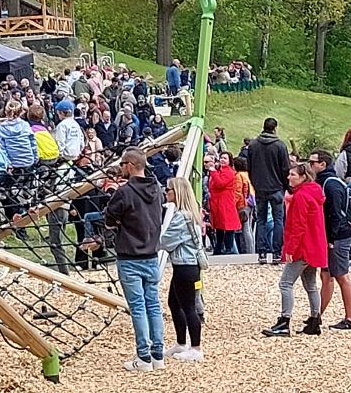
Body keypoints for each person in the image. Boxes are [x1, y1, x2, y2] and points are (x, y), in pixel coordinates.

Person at [103, 149, 166, 371]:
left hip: (130, 255)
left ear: (130, 165)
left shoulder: (125, 192)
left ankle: (143, 356)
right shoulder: (157, 188)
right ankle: (158, 354)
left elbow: (109, 217)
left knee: (138, 307)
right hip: (151, 254)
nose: (120, 168)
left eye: (122, 164)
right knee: (154, 305)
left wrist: (119, 224)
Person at [264, 162, 327, 337]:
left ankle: (284, 321)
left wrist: (290, 249)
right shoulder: (314, 192)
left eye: (293, 175)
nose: (289, 177)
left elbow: (298, 226)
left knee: (285, 283)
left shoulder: (301, 197)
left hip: (303, 247)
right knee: (311, 285)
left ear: (303, 177)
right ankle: (315, 320)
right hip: (314, 245)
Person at [308, 150, 351, 329]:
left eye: (313, 162)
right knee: (326, 275)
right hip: (332, 236)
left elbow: (336, 214)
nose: (310, 165)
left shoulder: (330, 184)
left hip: (337, 237)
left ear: (323, 164)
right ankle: (317, 315)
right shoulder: (325, 182)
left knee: (340, 276)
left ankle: (350, 318)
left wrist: (331, 238)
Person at [159, 178, 207, 361]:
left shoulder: (181, 217)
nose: (166, 192)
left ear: (177, 192)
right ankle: (181, 342)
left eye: (168, 189)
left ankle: (195, 347)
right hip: (186, 265)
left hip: (185, 266)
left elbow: (165, 241)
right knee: (174, 303)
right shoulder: (190, 214)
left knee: (188, 307)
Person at [246, 118, 290, 265]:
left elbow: (250, 167)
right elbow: (285, 169)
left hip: (260, 187)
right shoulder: (280, 146)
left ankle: (262, 253)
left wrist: (255, 183)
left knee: (261, 220)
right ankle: (277, 252)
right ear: (275, 128)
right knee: (278, 220)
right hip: (277, 187)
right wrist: (287, 186)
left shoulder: (253, 145)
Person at [206, 155, 245, 256]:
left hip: (225, 202)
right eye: (221, 158)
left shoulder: (228, 172)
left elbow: (220, 183)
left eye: (225, 158)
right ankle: (219, 247)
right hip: (218, 202)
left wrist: (213, 172)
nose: (222, 160)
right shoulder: (220, 171)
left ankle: (228, 248)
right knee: (219, 226)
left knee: (227, 226)